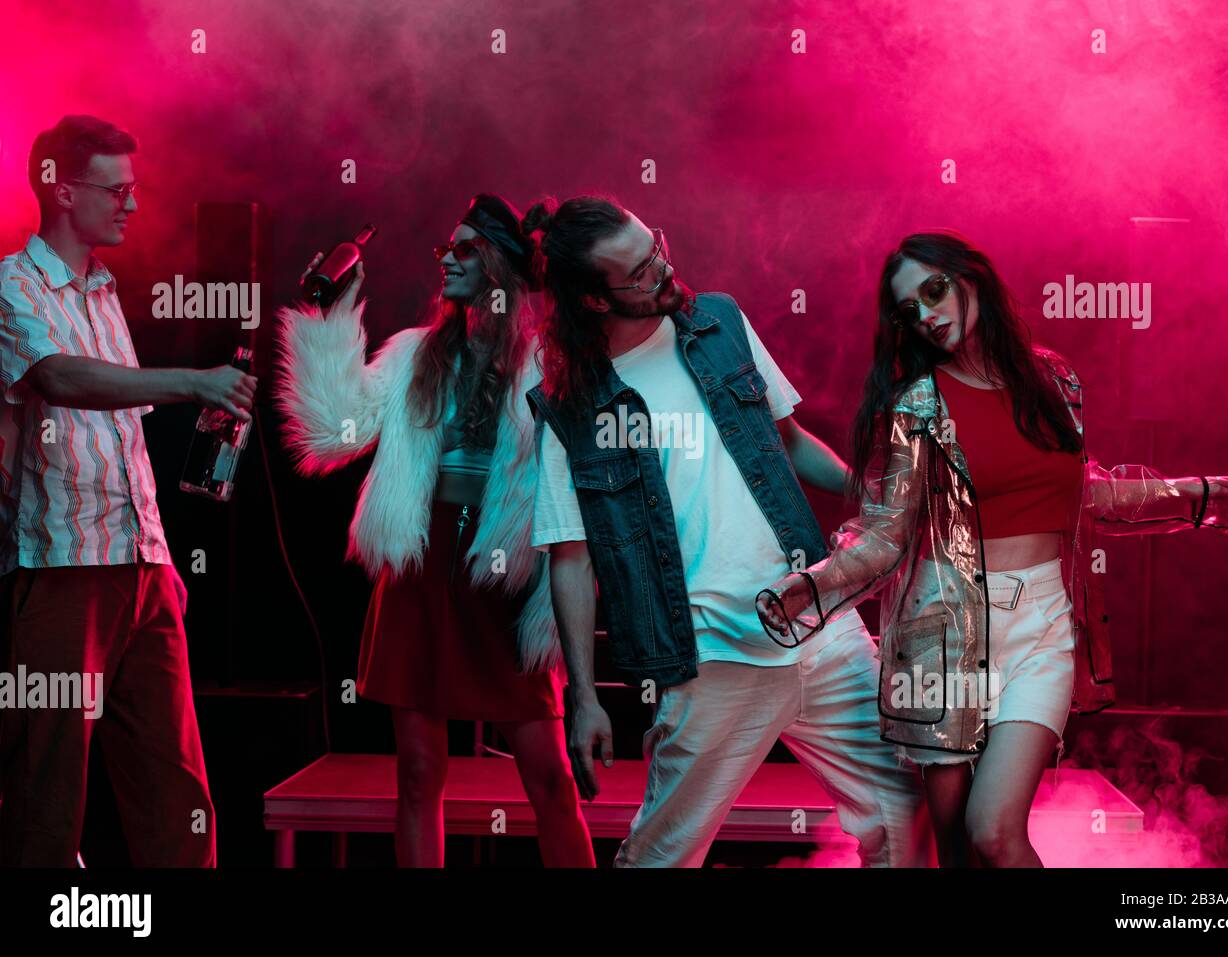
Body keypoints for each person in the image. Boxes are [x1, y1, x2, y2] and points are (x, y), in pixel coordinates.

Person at [758, 230, 1228, 867]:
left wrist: (1197, 498)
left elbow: (1080, 497)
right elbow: (886, 535)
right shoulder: (916, 407)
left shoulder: (1053, 379)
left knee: (995, 830)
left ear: (973, 279)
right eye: (911, 310)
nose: (927, 316)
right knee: (960, 850)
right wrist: (810, 589)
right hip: (944, 631)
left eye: (935, 291)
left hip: (1043, 624)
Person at [524, 195, 928, 867]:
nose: (662, 267)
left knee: (906, 817)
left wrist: (884, 494)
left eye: (654, 246)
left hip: (818, 621)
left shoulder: (720, 323)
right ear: (595, 301)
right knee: (662, 858)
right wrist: (585, 700)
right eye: (639, 271)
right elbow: (568, 559)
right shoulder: (570, 408)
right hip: (713, 655)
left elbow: (791, 443)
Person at [275, 194, 594, 867]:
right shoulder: (413, 353)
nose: (447, 258)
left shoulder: (548, 363)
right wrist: (331, 320)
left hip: (504, 575)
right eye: (445, 249)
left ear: (503, 266)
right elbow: (335, 434)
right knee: (418, 773)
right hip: (422, 569)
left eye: (466, 248)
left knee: (552, 776)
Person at [0, 115, 252, 866]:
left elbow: (122, 431)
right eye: (118, 190)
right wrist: (192, 380)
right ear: (63, 190)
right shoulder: (10, 285)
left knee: (180, 800)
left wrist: (163, 560)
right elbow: (60, 377)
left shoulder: (105, 294)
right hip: (59, 571)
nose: (133, 206)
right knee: (43, 804)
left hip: (143, 571)